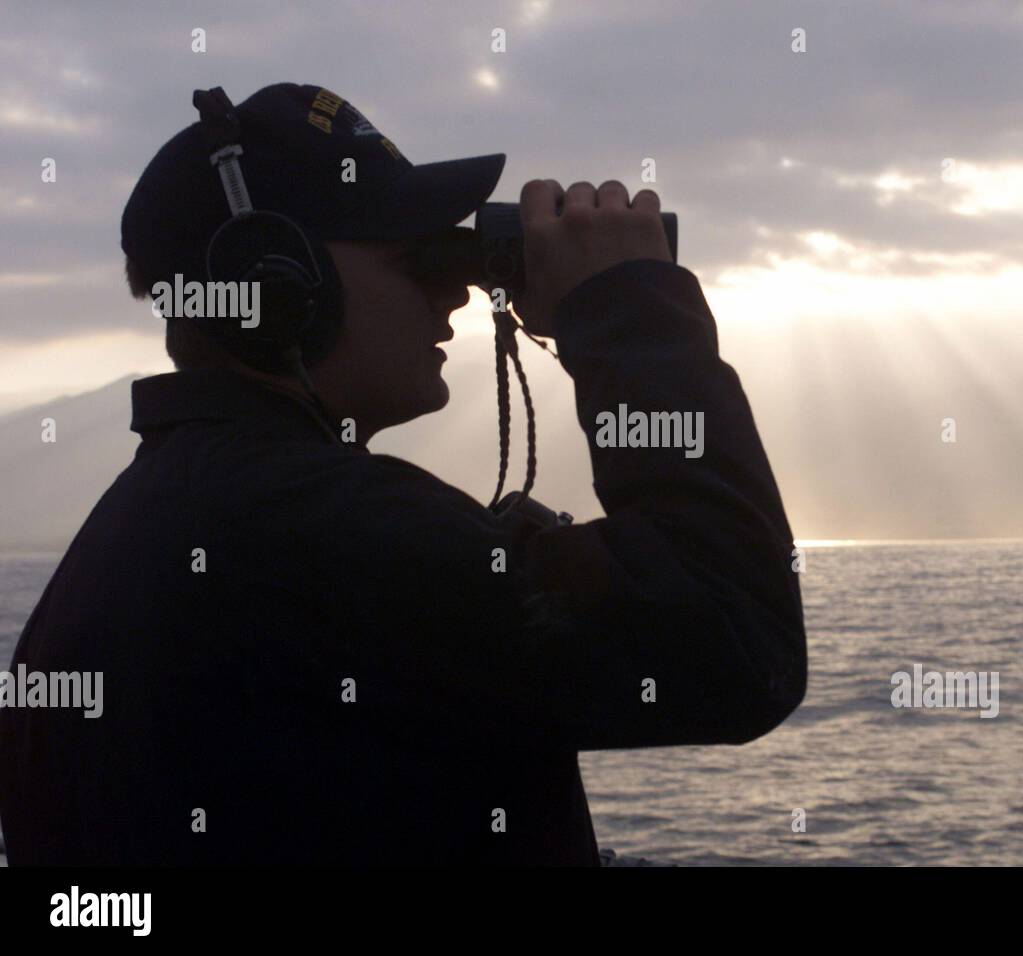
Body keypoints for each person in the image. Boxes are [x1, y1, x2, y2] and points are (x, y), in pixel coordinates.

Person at [0, 83, 806, 865]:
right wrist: (629, 309)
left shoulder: (184, 510)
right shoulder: (304, 526)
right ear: (281, 286)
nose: (456, 287)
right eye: (413, 257)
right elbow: (736, 639)